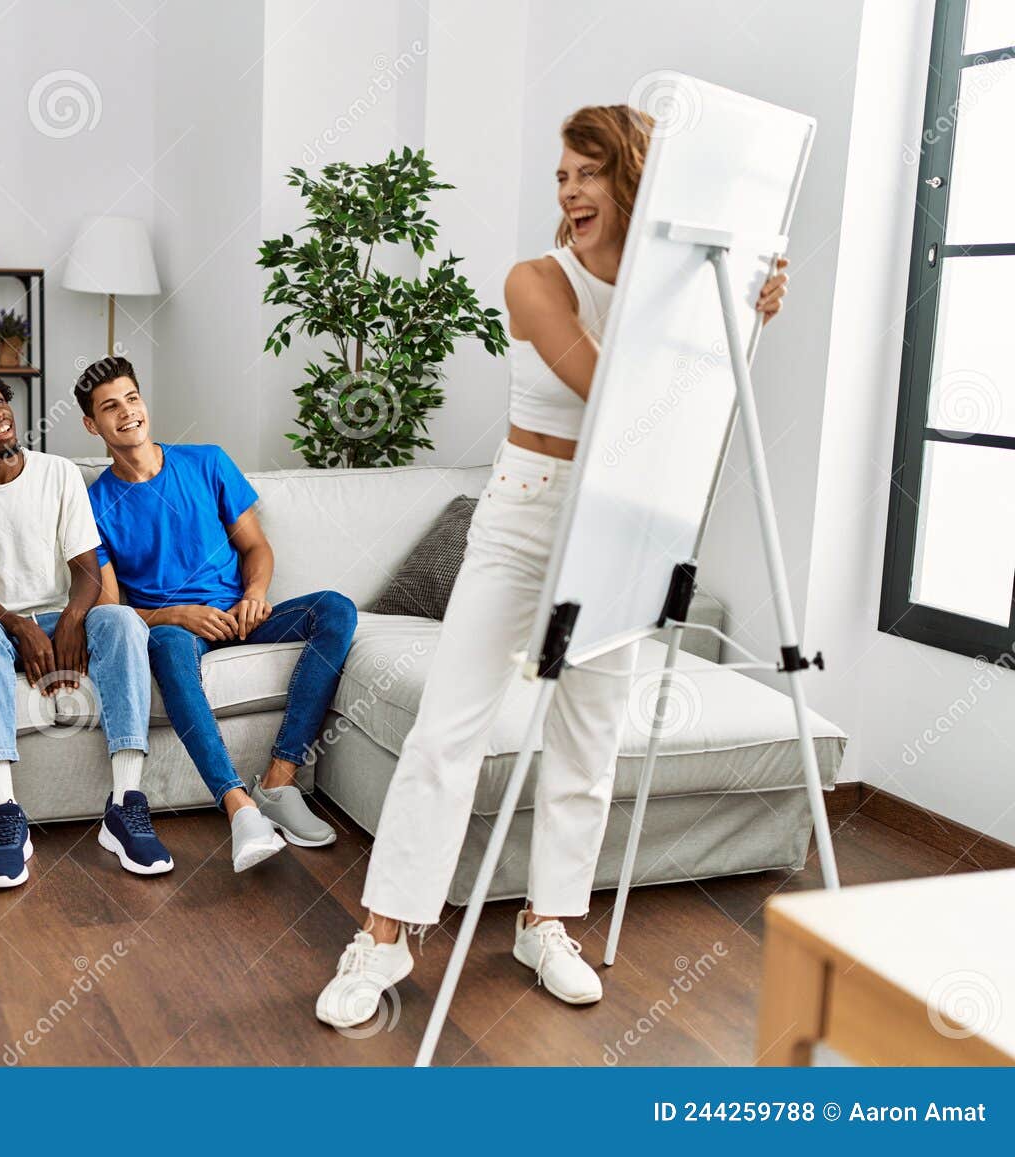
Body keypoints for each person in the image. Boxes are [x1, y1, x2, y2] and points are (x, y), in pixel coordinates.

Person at [314, 105, 792, 1027]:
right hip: (524, 519)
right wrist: (716, 316)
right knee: (447, 732)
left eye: (588, 173)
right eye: (562, 176)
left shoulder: (671, 294)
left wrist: (743, 312)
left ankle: (548, 922)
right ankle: (384, 936)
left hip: (624, 522)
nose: (570, 191)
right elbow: (618, 394)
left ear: (633, 179)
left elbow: (695, 405)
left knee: (589, 735)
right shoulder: (536, 280)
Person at [75, 357, 358, 874]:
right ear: (92, 425)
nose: (127, 412)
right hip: (178, 630)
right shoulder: (93, 505)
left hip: (243, 616)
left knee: (335, 609)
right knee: (169, 650)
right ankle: (238, 806)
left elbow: (256, 547)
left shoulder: (207, 462)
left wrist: (255, 594)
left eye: (132, 398)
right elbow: (111, 608)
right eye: (110, 407)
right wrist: (178, 615)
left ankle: (278, 782)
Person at [0, 356, 166, 888]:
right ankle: (6, 815)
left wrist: (73, 619)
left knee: (122, 621)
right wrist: (21, 627)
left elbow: (86, 569)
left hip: (63, 612)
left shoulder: (58, 472)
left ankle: (126, 805)